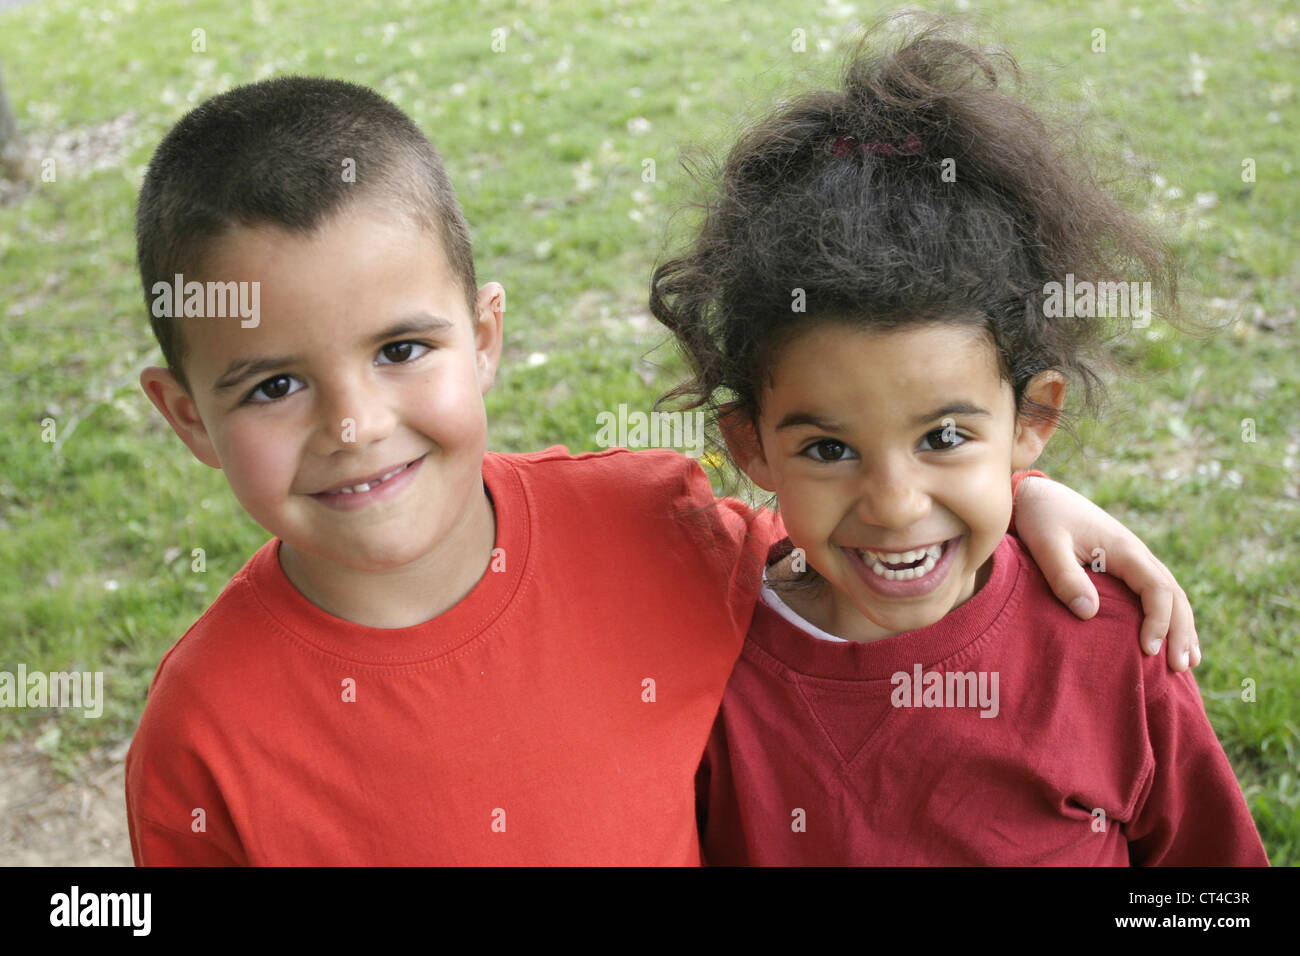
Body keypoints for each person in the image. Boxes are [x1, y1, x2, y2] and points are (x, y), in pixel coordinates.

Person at [127, 74, 1203, 865]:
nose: (355, 425)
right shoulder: (204, 734)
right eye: (274, 385)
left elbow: (855, 528)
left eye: (400, 349)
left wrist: (1019, 495)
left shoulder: (654, 530)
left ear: (486, 333)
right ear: (184, 414)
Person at [651, 25, 1268, 864]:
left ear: (1033, 419)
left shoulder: (1115, 646)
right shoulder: (703, 664)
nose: (896, 504)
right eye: (829, 450)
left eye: (942, 437)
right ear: (751, 446)